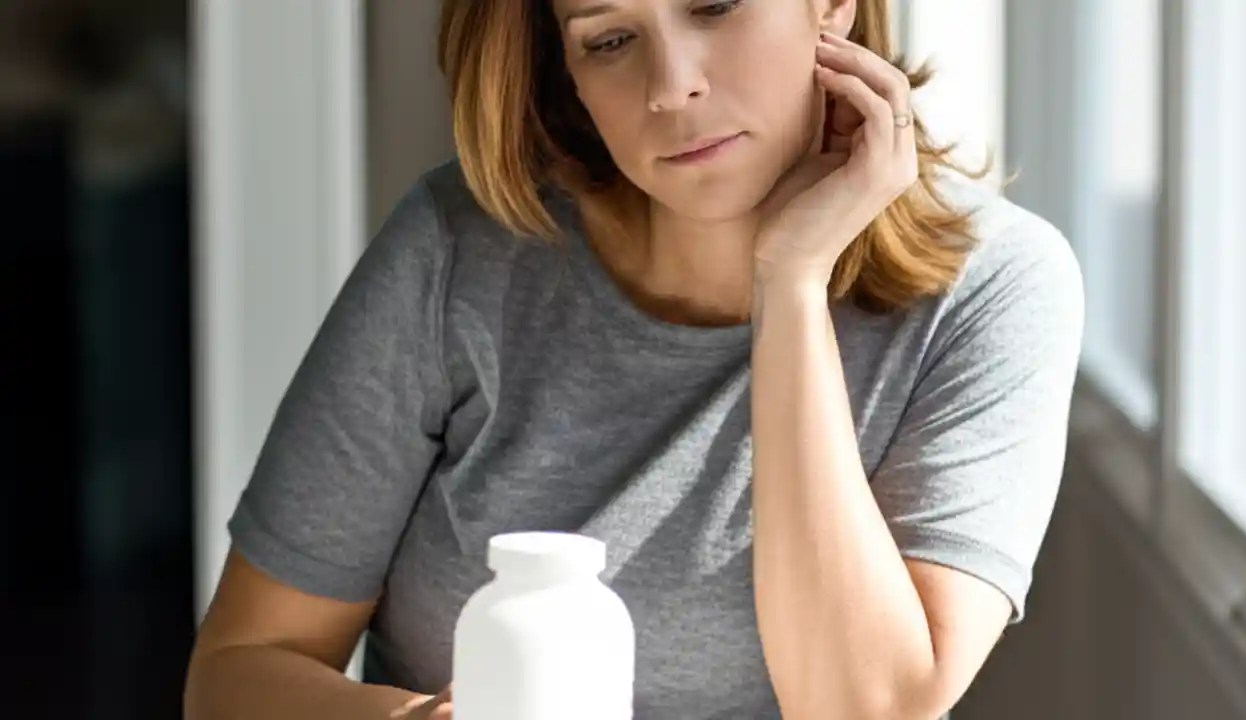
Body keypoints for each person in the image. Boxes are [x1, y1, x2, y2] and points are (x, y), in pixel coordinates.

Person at [183, 0, 1084, 718]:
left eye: (716, 5)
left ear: (833, 4)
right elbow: (240, 672)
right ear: (567, 72)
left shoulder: (996, 286)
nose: (672, 85)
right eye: (610, 38)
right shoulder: (461, 250)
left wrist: (791, 282)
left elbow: (866, 709)